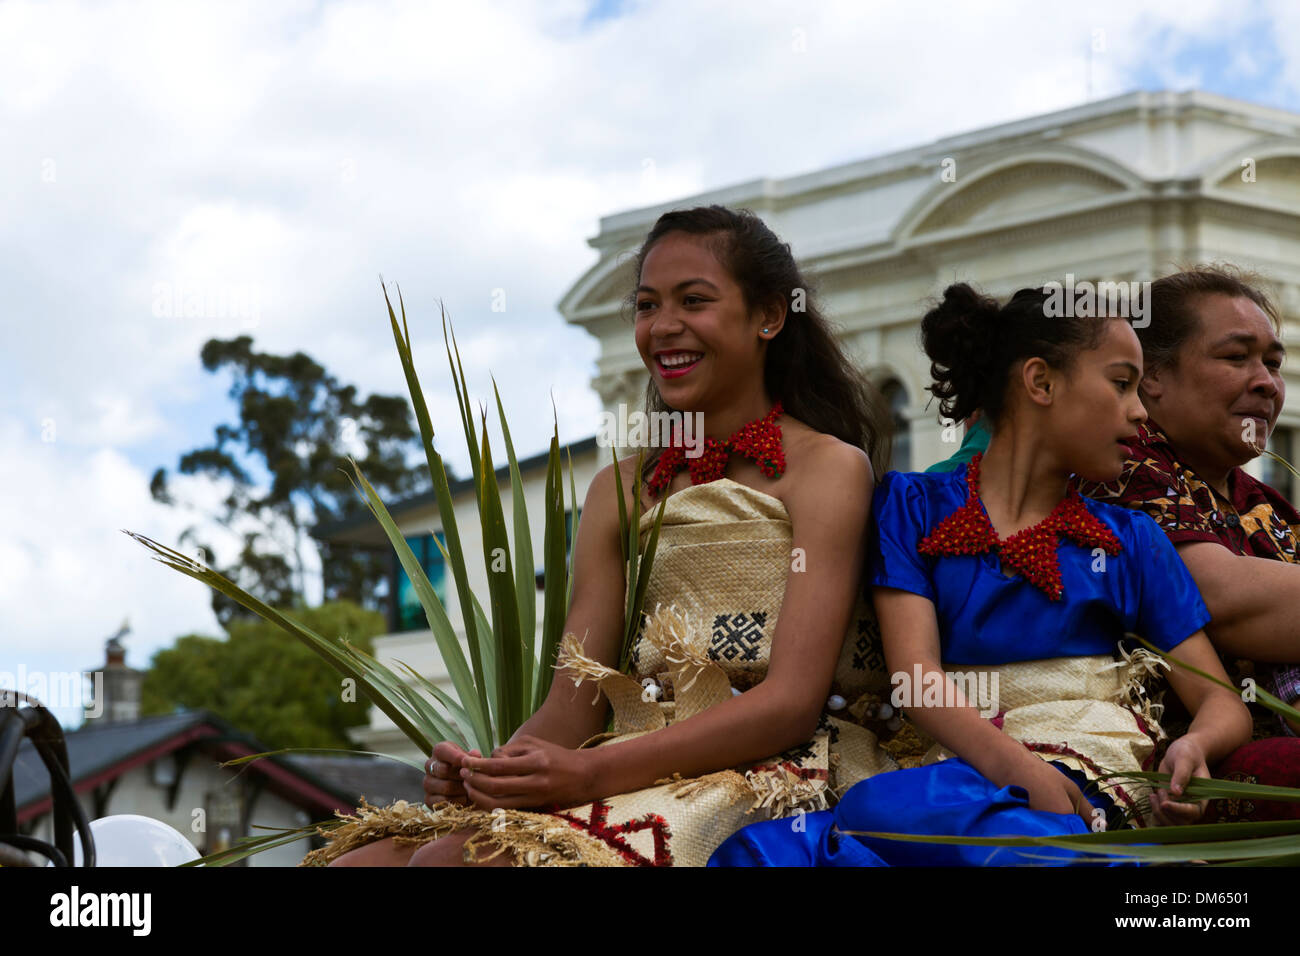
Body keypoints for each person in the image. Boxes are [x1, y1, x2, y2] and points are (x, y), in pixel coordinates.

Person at [307, 205, 899, 867]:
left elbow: (789, 705)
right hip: (632, 760)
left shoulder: (826, 468)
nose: (664, 326)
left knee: (453, 863)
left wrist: (590, 777)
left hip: (778, 770)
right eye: (647, 305)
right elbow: (573, 707)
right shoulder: (618, 489)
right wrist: (490, 772)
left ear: (768, 316)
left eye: (694, 301)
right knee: (360, 863)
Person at [709, 283, 1252, 866]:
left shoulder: (1133, 539)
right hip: (962, 775)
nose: (1141, 412)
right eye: (1121, 384)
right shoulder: (913, 505)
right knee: (772, 849)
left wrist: (1193, 748)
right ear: (1040, 382)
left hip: (1089, 776)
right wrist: (1018, 768)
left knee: (892, 817)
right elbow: (915, 680)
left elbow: (1224, 704)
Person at [927, 267, 1300, 820]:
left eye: (1272, 362)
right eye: (1235, 357)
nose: (1267, 381)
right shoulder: (1120, 470)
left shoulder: (1259, 499)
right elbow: (1224, 600)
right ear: (1155, 376)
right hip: (1147, 769)